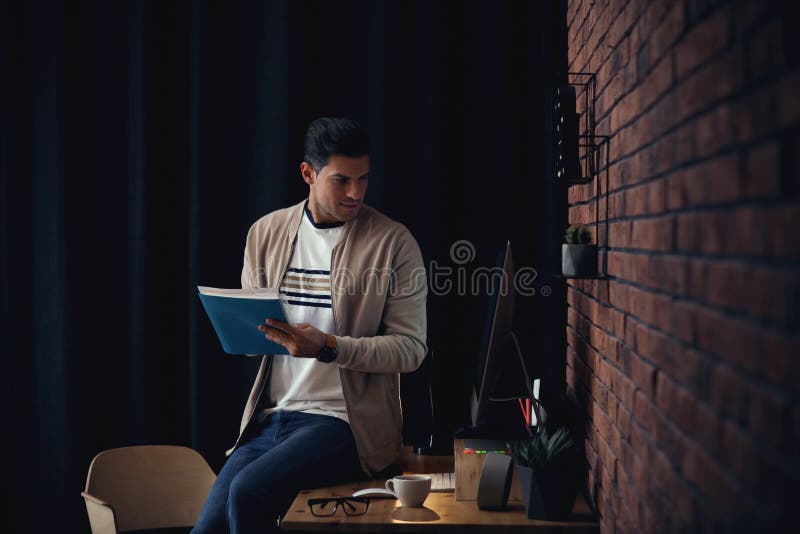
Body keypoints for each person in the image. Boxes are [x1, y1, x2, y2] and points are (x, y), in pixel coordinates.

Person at [192, 117, 428, 533]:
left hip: (345, 426)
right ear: (308, 173)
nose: (355, 192)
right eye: (342, 180)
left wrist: (329, 346)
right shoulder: (264, 233)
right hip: (272, 417)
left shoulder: (394, 242)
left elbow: (411, 349)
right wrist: (241, 329)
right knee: (208, 527)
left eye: (363, 179)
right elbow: (255, 341)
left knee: (248, 492)